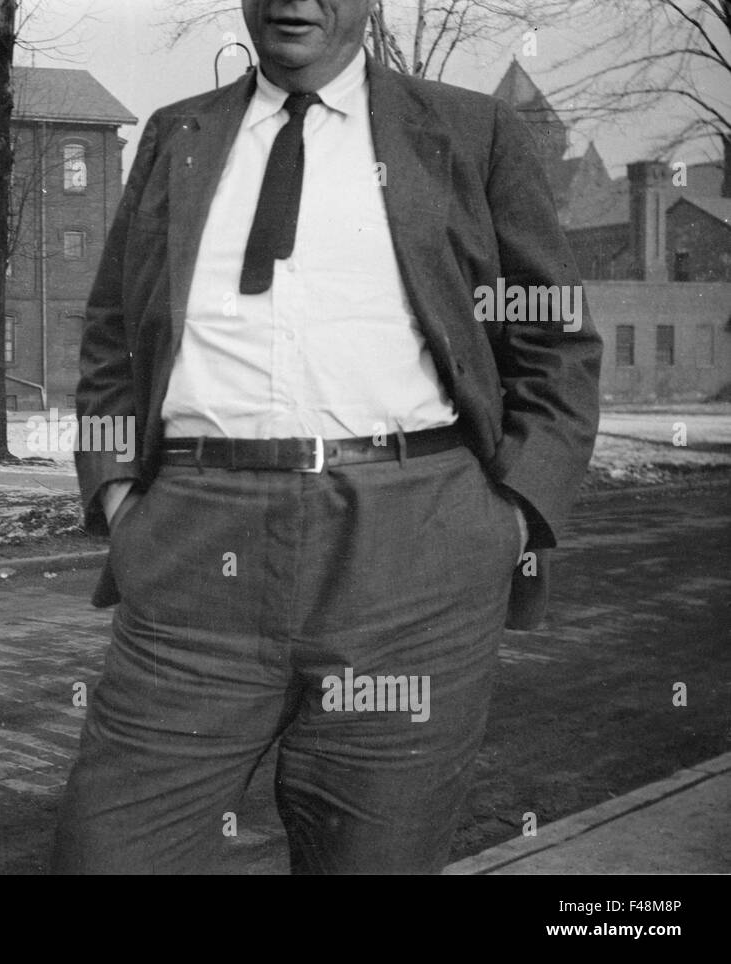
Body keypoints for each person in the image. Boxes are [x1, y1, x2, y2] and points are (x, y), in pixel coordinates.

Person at [53, 0, 602, 874]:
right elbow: (114, 334)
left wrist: (515, 517)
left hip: (413, 557)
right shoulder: (175, 134)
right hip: (194, 560)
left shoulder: (471, 133)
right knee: (108, 853)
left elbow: (553, 342)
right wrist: (120, 496)